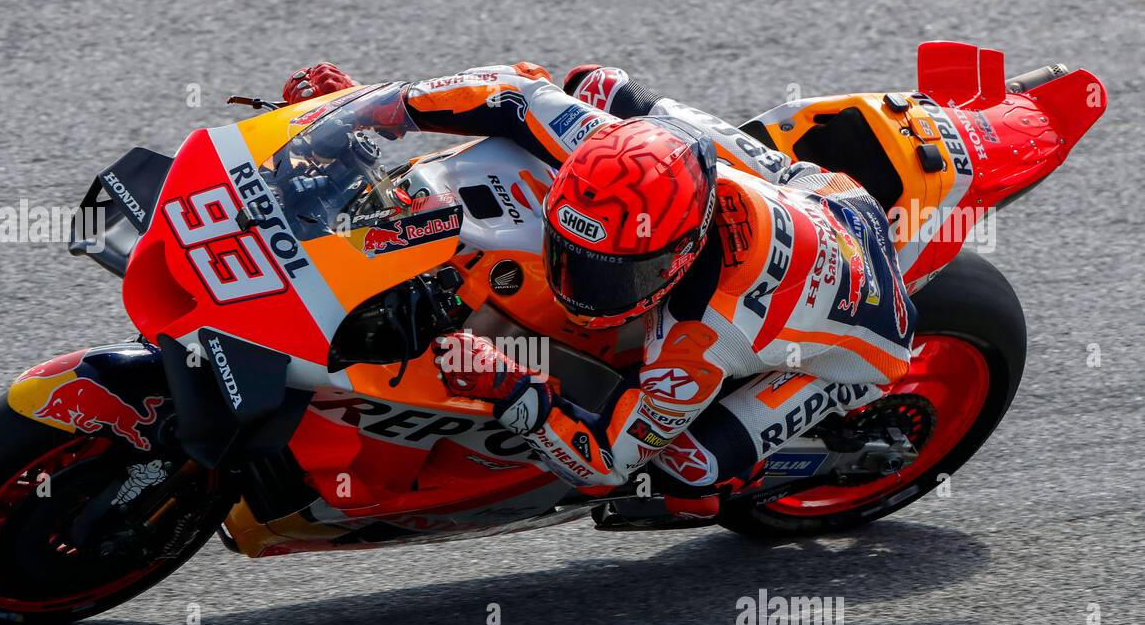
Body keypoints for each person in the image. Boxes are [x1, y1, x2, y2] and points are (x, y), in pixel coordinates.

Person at [280, 61, 916, 523]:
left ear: (681, 253)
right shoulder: (600, 148)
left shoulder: (701, 333)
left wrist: (510, 387)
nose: (583, 285)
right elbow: (515, 89)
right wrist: (374, 108)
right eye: (573, 255)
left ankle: (783, 457)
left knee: (684, 472)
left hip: (864, 335)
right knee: (597, 85)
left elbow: (607, 459)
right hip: (809, 189)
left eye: (617, 274)